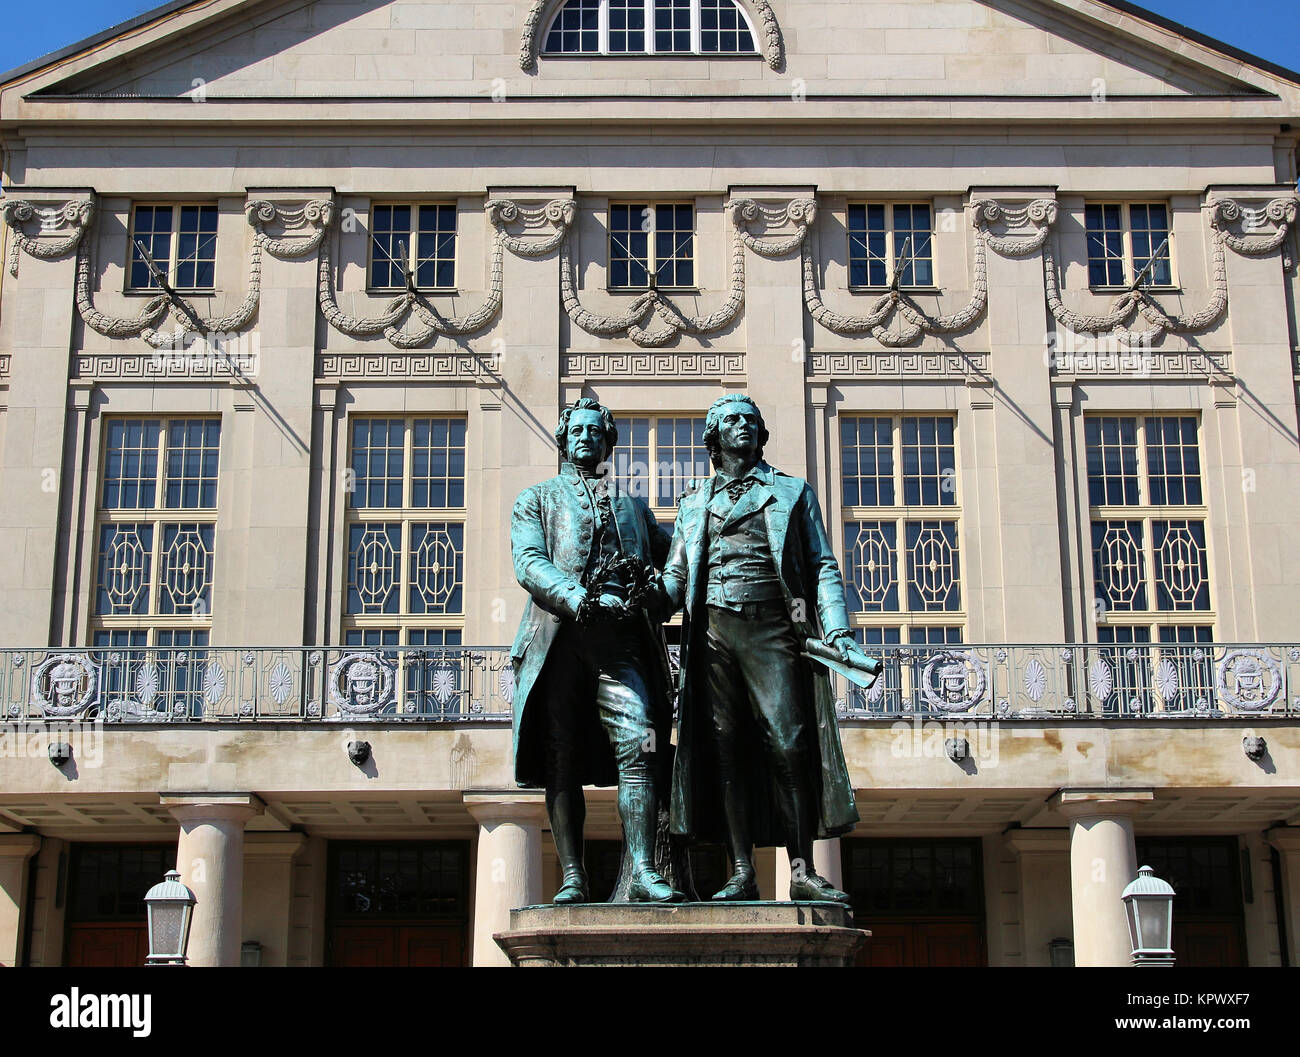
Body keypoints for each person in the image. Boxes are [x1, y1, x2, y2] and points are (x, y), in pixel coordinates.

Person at [659, 393, 866, 902]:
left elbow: (821, 567)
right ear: (713, 436)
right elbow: (676, 578)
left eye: (752, 419)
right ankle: (740, 869)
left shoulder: (793, 492)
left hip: (773, 628)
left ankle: (801, 869)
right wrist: (633, 599)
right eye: (731, 420)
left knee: (789, 744)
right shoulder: (693, 501)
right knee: (725, 751)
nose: (743, 426)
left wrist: (836, 630)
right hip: (712, 634)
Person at [509, 398, 683, 903]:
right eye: (577, 431)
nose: (586, 437)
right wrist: (577, 597)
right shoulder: (536, 499)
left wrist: (657, 589)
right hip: (558, 643)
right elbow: (529, 562)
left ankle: (646, 871)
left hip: (621, 645)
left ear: (609, 442)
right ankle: (573, 875)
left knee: (639, 746)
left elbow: (674, 565)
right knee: (561, 759)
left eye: (595, 431)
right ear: (564, 440)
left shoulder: (634, 506)